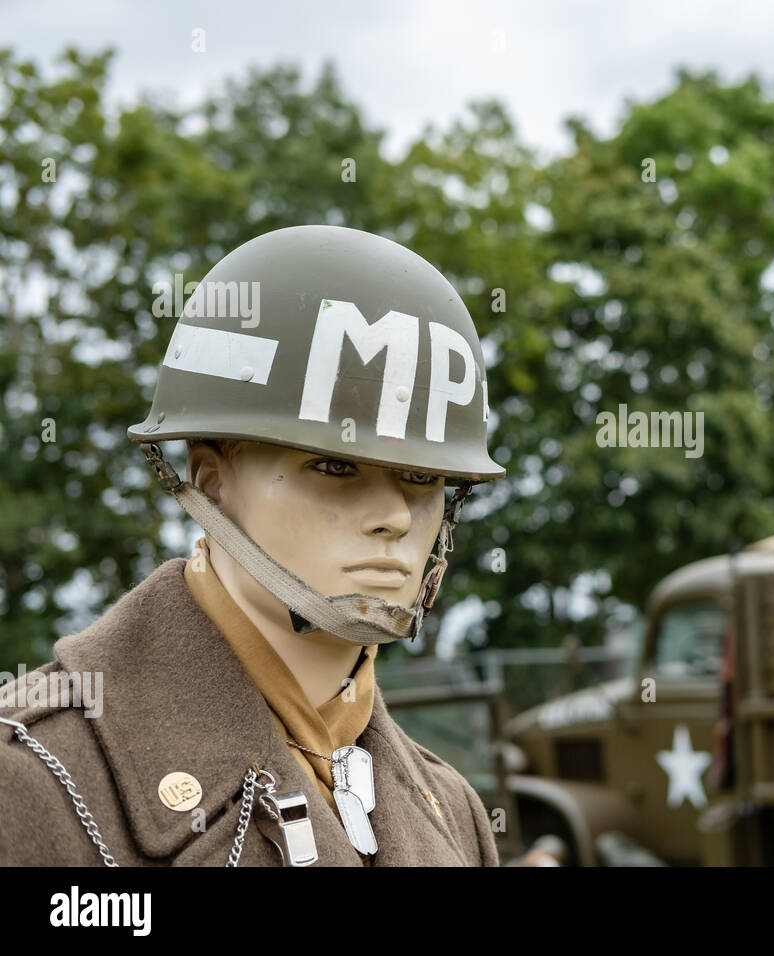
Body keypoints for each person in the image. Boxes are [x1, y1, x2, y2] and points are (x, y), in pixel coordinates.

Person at [0, 225, 505, 866]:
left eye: (422, 479)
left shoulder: (454, 812)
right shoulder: (33, 780)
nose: (394, 517)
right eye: (334, 467)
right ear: (212, 484)